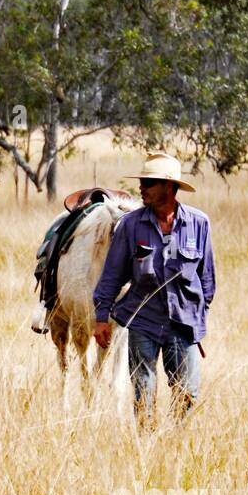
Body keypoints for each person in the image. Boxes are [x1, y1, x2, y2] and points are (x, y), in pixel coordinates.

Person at [92, 152, 215, 424]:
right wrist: (101, 318)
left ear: (169, 187)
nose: (141, 188)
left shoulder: (199, 224)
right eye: (142, 182)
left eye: (149, 183)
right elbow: (112, 275)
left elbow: (207, 280)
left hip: (184, 324)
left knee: (187, 395)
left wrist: (197, 317)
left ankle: (175, 447)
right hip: (143, 320)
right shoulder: (131, 225)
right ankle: (145, 451)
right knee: (143, 395)